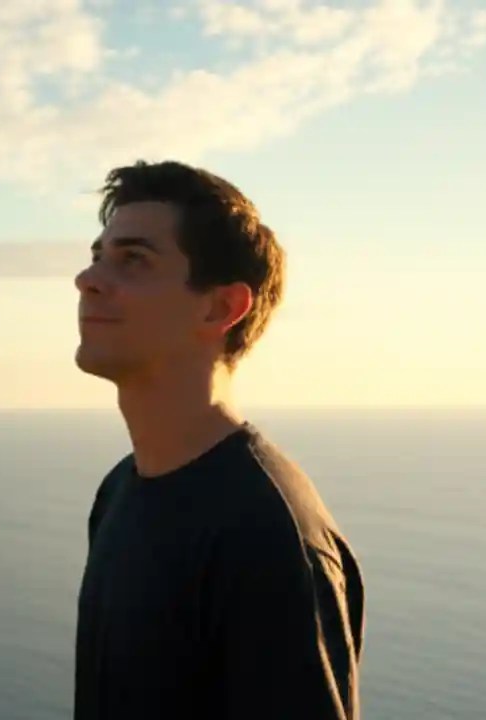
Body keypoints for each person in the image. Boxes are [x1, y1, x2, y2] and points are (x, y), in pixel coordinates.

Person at [71, 160, 366, 719]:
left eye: (132, 260)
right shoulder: (120, 492)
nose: (88, 280)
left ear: (221, 307)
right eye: (97, 258)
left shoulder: (268, 533)